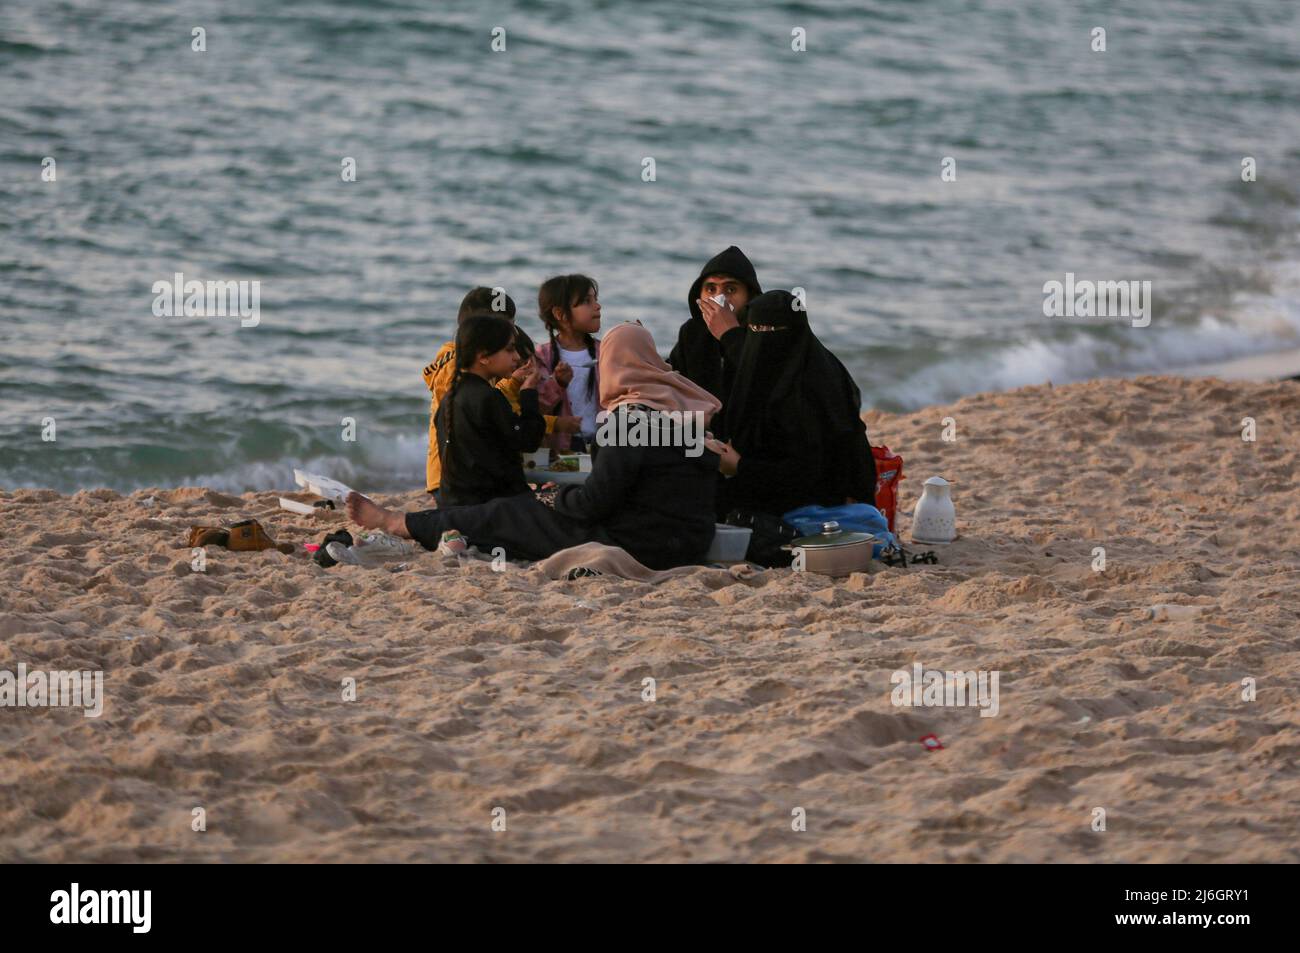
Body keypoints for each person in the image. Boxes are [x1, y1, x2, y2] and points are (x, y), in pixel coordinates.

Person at [348, 322, 723, 570]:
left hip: (639, 542)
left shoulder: (628, 419)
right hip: (686, 541)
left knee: (509, 514)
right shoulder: (682, 413)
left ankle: (398, 522)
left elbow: (595, 504)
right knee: (514, 509)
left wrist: (555, 497)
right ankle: (414, 524)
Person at [710, 290, 876, 519]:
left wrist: (741, 467)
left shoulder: (809, 387)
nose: (762, 337)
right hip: (775, 483)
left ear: (795, 332)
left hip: (817, 497)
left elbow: (808, 473)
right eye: (756, 329)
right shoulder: (782, 370)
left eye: (771, 330)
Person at [424, 287, 578, 498]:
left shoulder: (478, 368)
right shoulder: (457, 368)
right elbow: (486, 414)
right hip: (453, 477)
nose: (513, 332)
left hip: (466, 476)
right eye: (507, 327)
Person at [436, 315, 547, 506]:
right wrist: (528, 392)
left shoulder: (449, 398)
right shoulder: (487, 397)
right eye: (510, 349)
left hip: (456, 506)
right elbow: (529, 440)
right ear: (484, 356)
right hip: (494, 509)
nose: (517, 357)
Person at [667, 246, 763, 412]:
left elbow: (765, 381)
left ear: (750, 297)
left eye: (730, 289)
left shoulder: (763, 334)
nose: (719, 299)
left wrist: (730, 335)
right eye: (711, 289)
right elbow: (670, 382)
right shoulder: (692, 333)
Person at [534, 274, 601, 451]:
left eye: (596, 299)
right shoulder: (543, 356)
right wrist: (557, 383)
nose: (597, 306)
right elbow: (536, 407)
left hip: (602, 444)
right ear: (560, 314)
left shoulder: (606, 351)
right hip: (562, 449)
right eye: (587, 301)